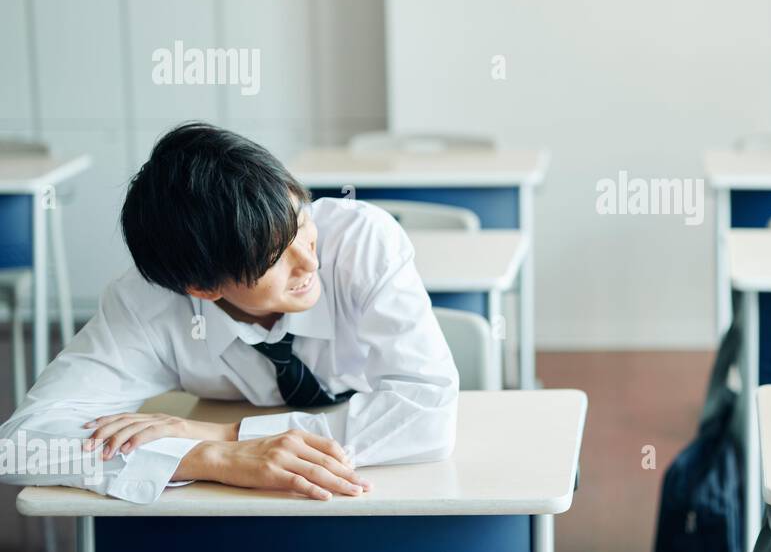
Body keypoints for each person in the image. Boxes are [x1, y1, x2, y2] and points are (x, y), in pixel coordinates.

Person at [0, 123, 458, 504]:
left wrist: (225, 434)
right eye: (275, 258)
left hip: (380, 490)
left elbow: (427, 415)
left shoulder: (360, 241)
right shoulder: (147, 303)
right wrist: (207, 457)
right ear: (201, 288)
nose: (310, 262)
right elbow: (20, 447)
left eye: (302, 225)